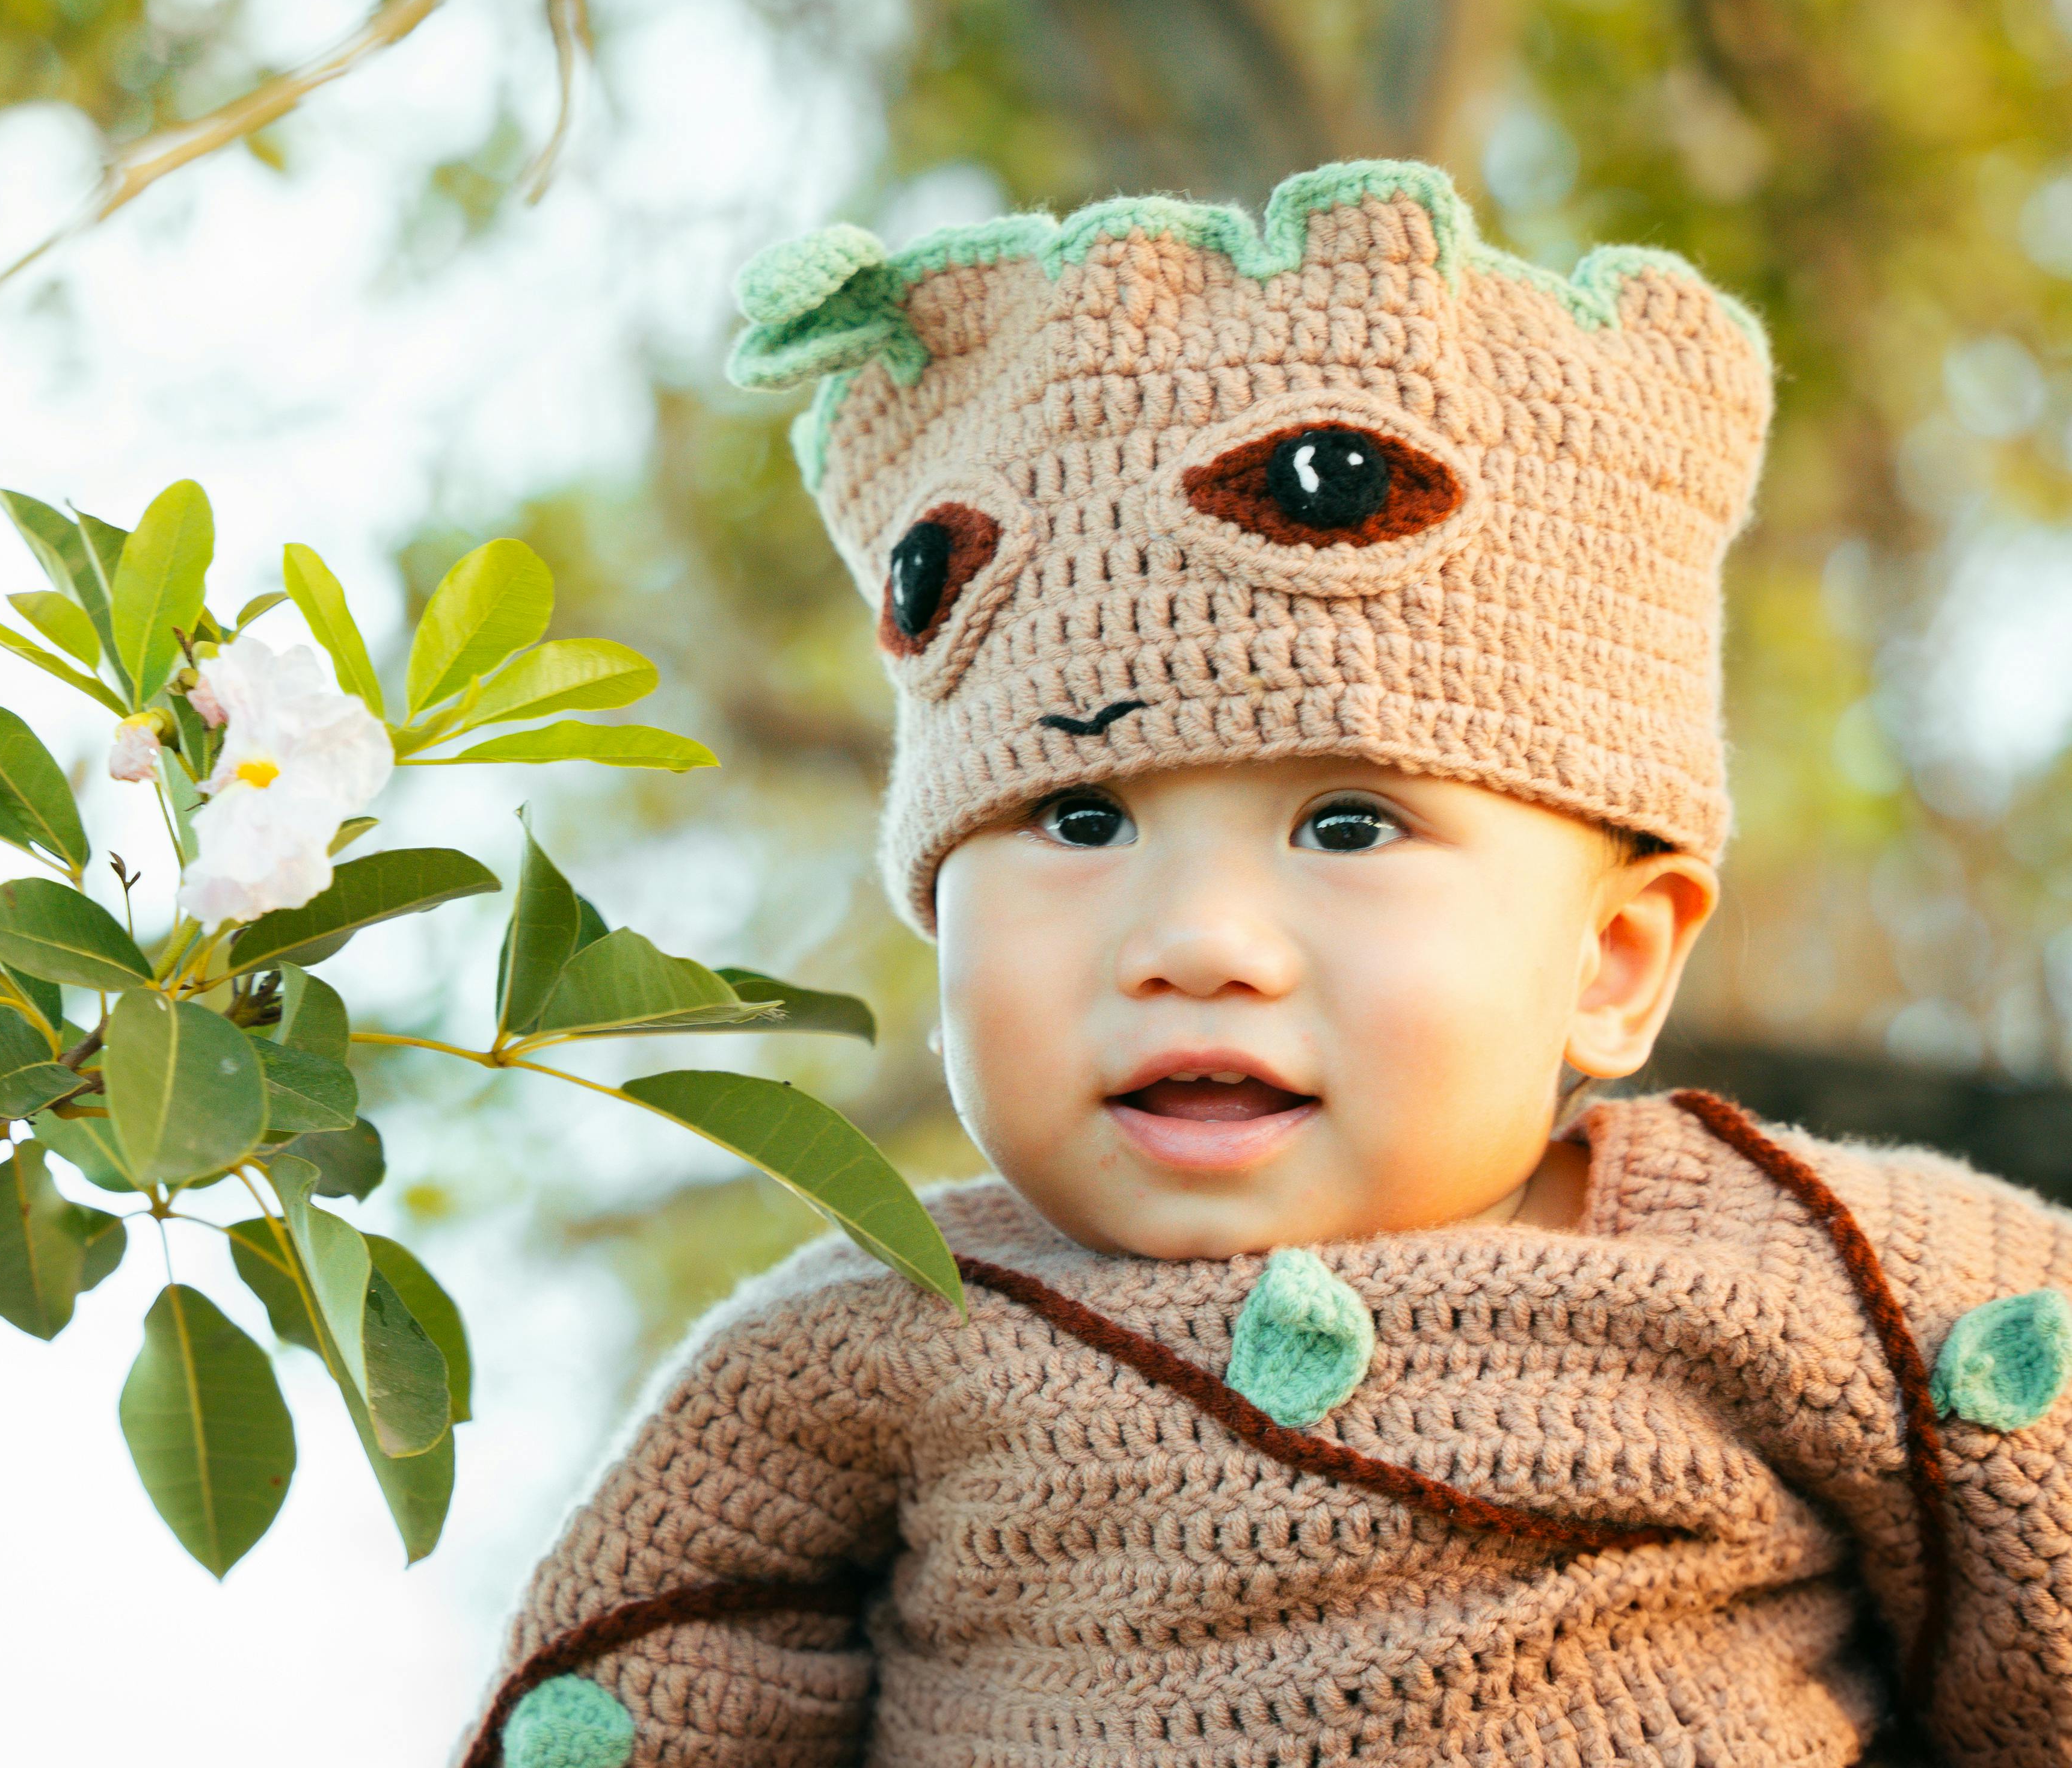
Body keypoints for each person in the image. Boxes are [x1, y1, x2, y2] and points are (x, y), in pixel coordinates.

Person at [460, 159, 2072, 1767]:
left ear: (1612, 960)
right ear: (943, 916)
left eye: (1351, 827)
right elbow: (638, 1690)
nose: (1197, 945)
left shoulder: (1835, 1285)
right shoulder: (864, 1347)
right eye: (1081, 818)